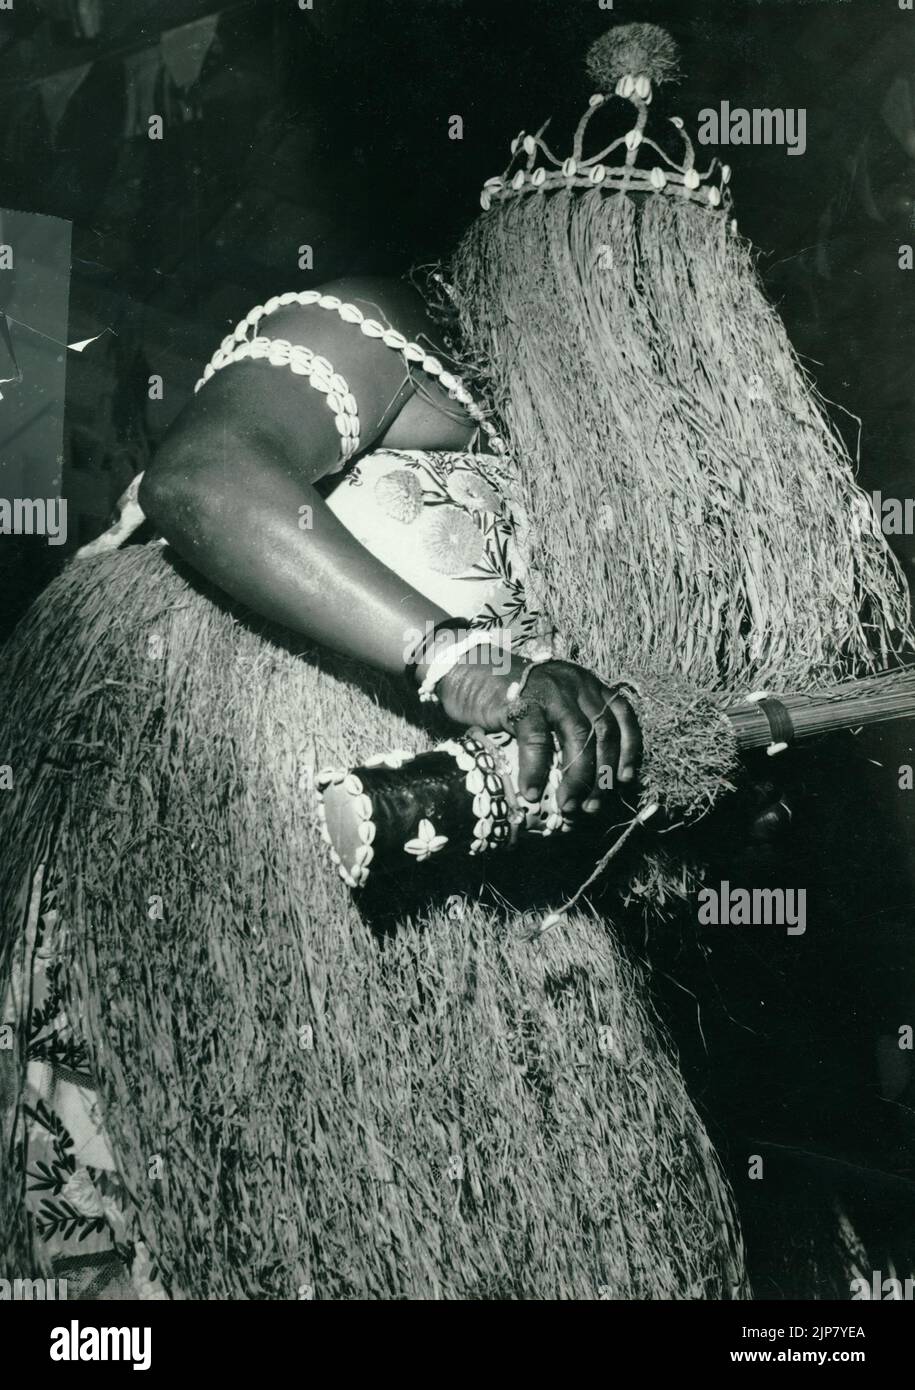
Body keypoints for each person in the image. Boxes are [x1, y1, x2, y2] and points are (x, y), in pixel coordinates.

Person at [2, 21, 907, 1300]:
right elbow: (203, 481)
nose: (645, 307)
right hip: (224, 846)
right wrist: (461, 659)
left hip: (430, 898)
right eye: (615, 268)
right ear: (530, 240)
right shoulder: (383, 326)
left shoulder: (603, 478)